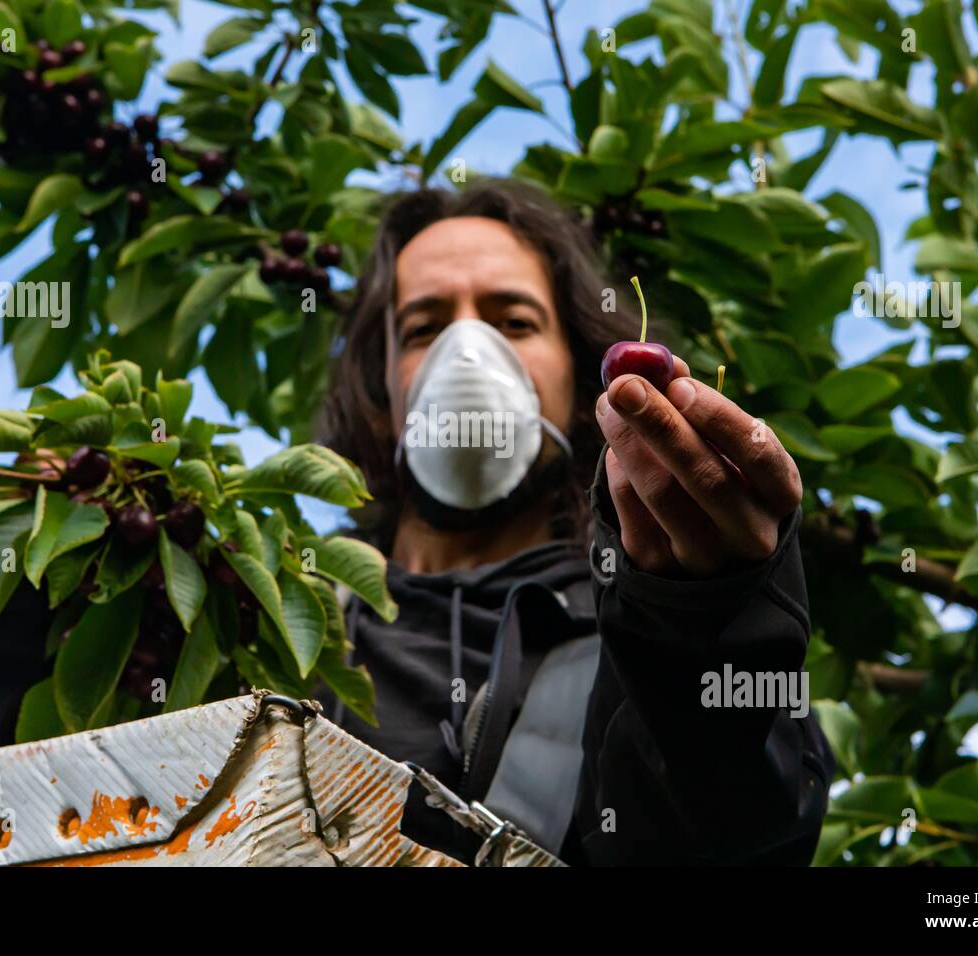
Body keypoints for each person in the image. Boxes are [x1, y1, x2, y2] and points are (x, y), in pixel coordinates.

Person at [316, 180, 833, 865]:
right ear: (380, 394)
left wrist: (713, 619)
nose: (467, 353)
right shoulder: (283, 614)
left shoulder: (632, 622)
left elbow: (734, 828)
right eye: (425, 328)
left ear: (581, 383)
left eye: (514, 322)